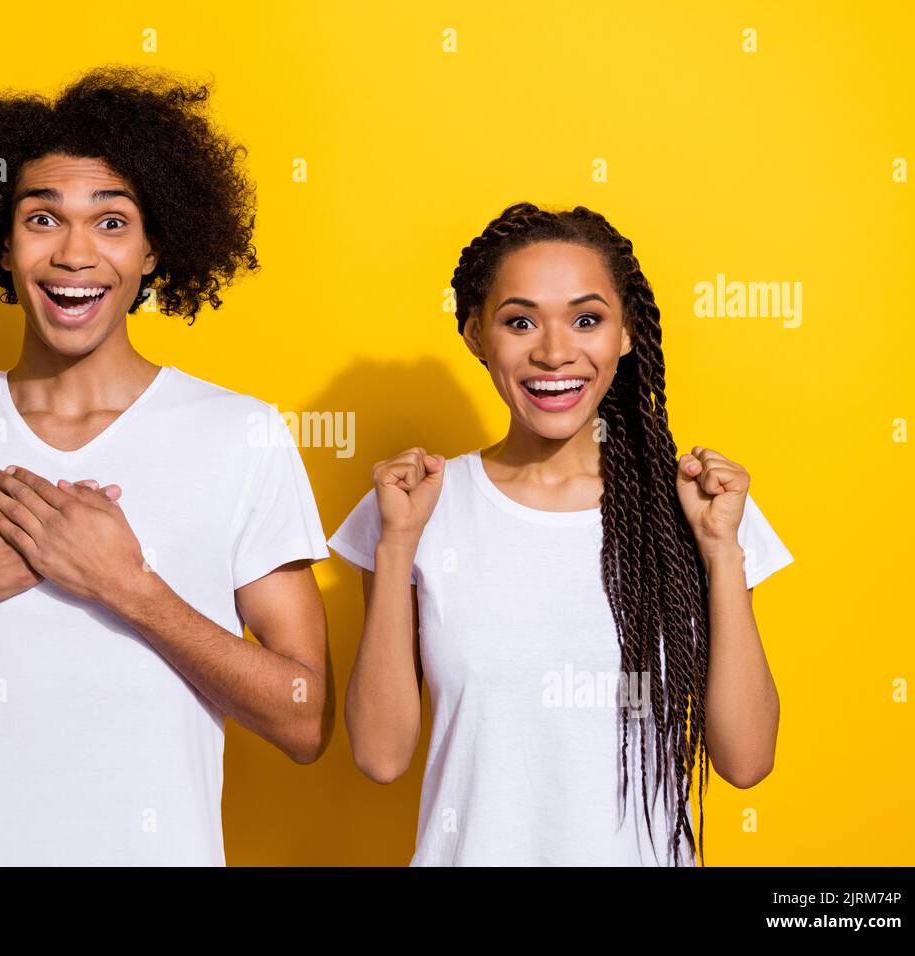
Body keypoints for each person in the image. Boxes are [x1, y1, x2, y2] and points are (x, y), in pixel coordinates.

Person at [0, 66, 333, 865]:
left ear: (154, 249)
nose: (75, 253)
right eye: (42, 218)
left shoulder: (242, 435)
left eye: (111, 222)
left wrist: (128, 586)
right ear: (2, 245)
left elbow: (304, 718)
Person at [329, 202, 793, 866]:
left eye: (587, 319)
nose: (553, 352)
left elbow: (747, 759)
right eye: (520, 322)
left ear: (627, 333)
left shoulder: (698, 508)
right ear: (474, 336)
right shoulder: (415, 507)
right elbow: (380, 755)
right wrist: (396, 544)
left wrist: (721, 552)